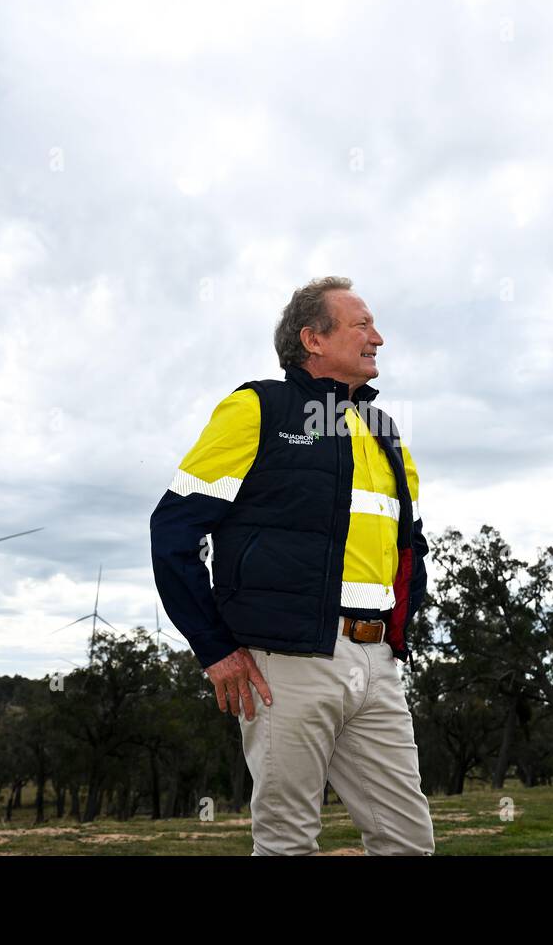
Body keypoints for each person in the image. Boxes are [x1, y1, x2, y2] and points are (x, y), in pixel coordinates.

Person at [150, 275, 434, 855]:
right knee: (287, 843)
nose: (377, 338)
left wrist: (399, 637)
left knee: (408, 841)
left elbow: (412, 548)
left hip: (377, 661)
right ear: (312, 338)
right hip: (287, 661)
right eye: (361, 325)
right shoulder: (256, 407)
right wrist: (215, 648)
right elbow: (172, 531)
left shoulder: (385, 432)